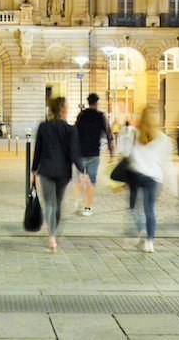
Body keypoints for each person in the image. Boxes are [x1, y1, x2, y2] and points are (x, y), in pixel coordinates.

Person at [30, 95, 90, 252]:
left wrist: (33, 170)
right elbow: (74, 153)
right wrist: (82, 171)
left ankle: (51, 237)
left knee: (49, 203)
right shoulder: (71, 130)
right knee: (57, 204)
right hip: (63, 172)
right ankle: (54, 233)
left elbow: (38, 150)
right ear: (63, 109)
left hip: (47, 170)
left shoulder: (43, 127)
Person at [121, 105, 171, 253]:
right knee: (150, 209)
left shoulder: (134, 134)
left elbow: (125, 153)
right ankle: (150, 242)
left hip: (137, 175)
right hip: (154, 178)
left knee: (135, 207)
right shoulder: (163, 139)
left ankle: (140, 229)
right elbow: (165, 161)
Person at [73, 93, 114, 216]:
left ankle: (78, 199)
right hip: (94, 153)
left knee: (78, 178)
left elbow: (74, 132)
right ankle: (87, 207)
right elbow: (108, 134)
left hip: (80, 152)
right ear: (96, 103)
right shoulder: (101, 116)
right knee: (92, 180)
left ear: (88, 102)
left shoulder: (81, 116)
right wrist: (111, 152)